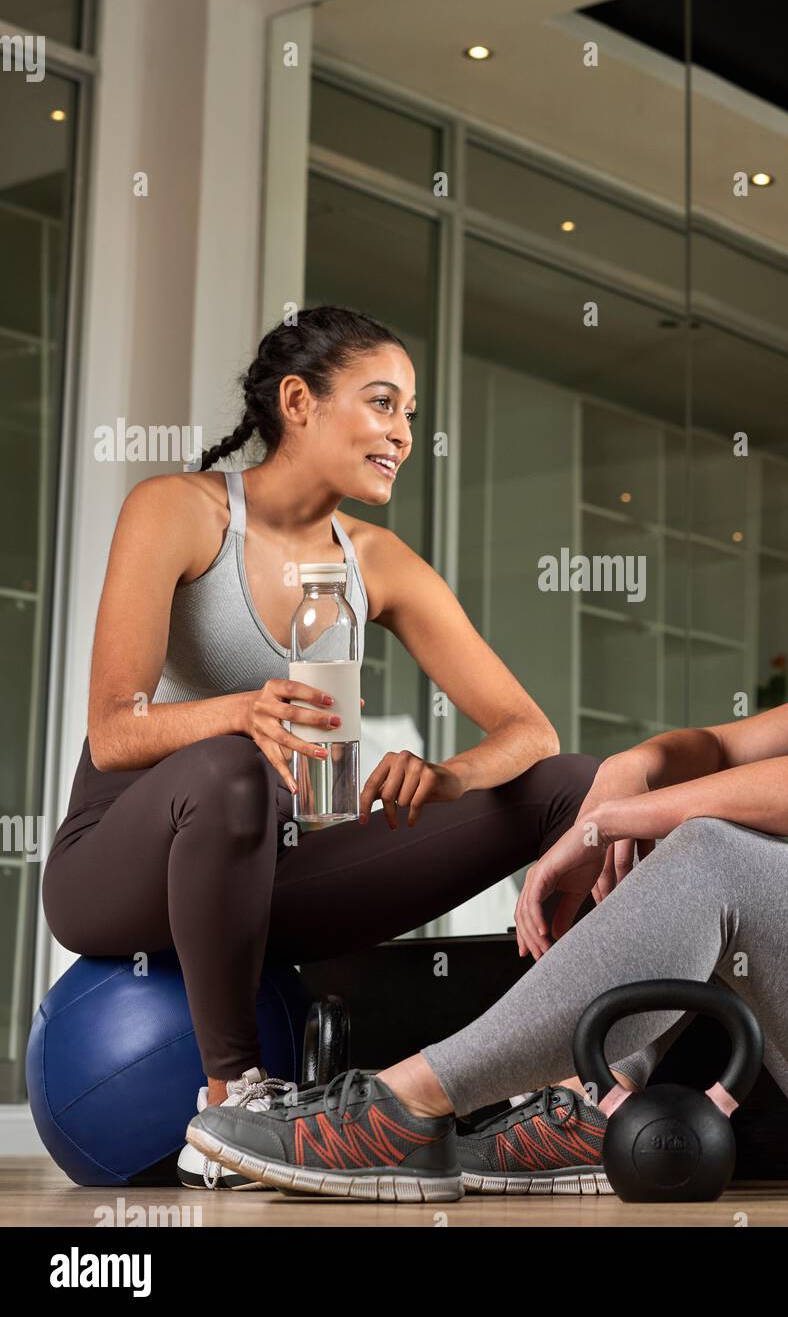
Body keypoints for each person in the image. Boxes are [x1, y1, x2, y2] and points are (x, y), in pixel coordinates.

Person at [186, 380, 788, 1200]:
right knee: (702, 838)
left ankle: (397, 1110)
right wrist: (636, 772)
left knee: (722, 853)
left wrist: (606, 822)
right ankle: (580, 1111)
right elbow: (715, 748)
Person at [41, 306, 643, 1191]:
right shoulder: (180, 510)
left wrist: (446, 777)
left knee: (574, 784)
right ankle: (235, 1101)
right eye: (382, 404)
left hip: (277, 871)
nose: (403, 433)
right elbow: (114, 729)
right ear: (299, 401)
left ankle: (566, 1099)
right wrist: (242, 710)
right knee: (237, 770)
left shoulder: (379, 562)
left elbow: (530, 731)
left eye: (409, 412)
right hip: (117, 867)